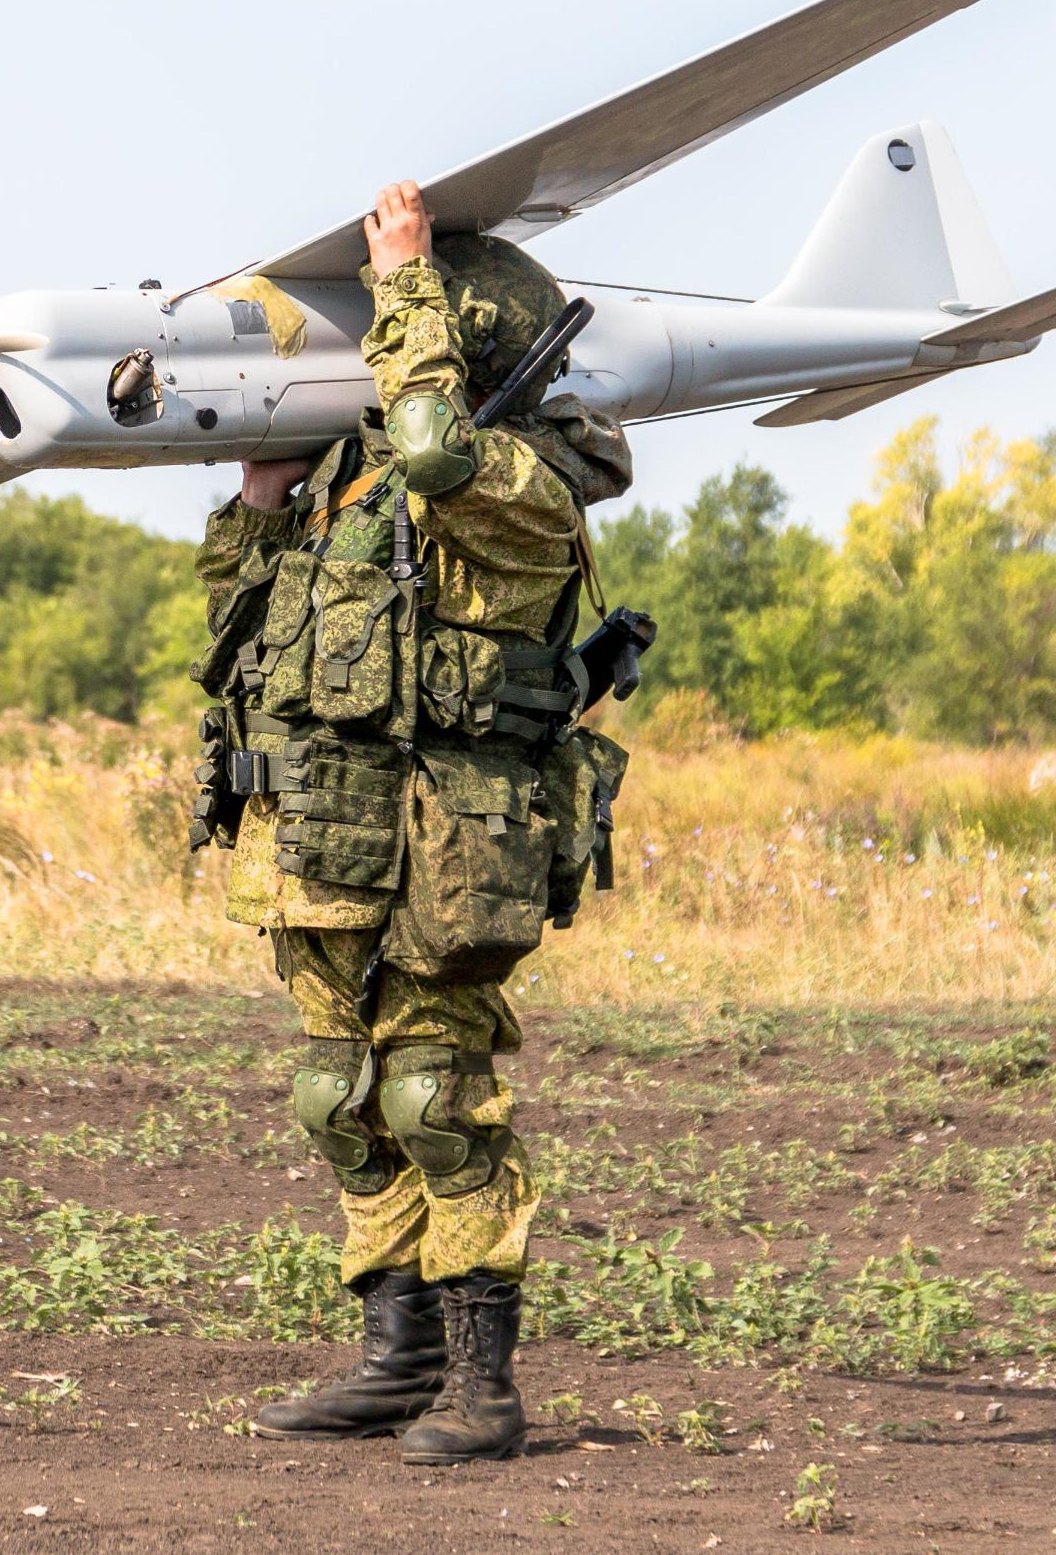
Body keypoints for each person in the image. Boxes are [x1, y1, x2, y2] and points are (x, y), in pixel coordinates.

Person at [187, 180, 633, 1465]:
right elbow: (243, 628)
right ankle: (397, 1357)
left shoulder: (524, 484)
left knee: (436, 1093)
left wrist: (402, 279)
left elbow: (437, 441)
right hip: (324, 829)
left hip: (452, 837)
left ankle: (485, 1386)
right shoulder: (359, 485)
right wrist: (263, 496)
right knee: (340, 1091)